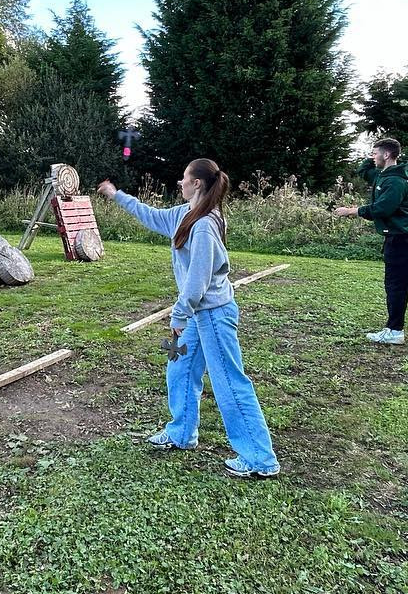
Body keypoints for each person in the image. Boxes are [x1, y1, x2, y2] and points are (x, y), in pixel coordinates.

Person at [97, 159, 280, 479]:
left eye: (184, 178)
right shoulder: (184, 215)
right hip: (197, 314)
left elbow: (198, 280)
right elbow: (150, 215)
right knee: (179, 366)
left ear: (197, 183)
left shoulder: (206, 224)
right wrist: (117, 195)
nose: (179, 183)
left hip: (211, 314)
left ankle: (259, 458)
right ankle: (181, 432)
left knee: (229, 382)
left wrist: (179, 316)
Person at [333, 138, 408, 345]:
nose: (372, 157)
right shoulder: (384, 175)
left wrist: (351, 211)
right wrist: (369, 158)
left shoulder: (395, 181)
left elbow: (382, 209)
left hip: (401, 238)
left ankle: (394, 331)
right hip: (407, 236)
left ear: (386, 155)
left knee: (396, 284)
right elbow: (363, 171)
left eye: (375, 153)